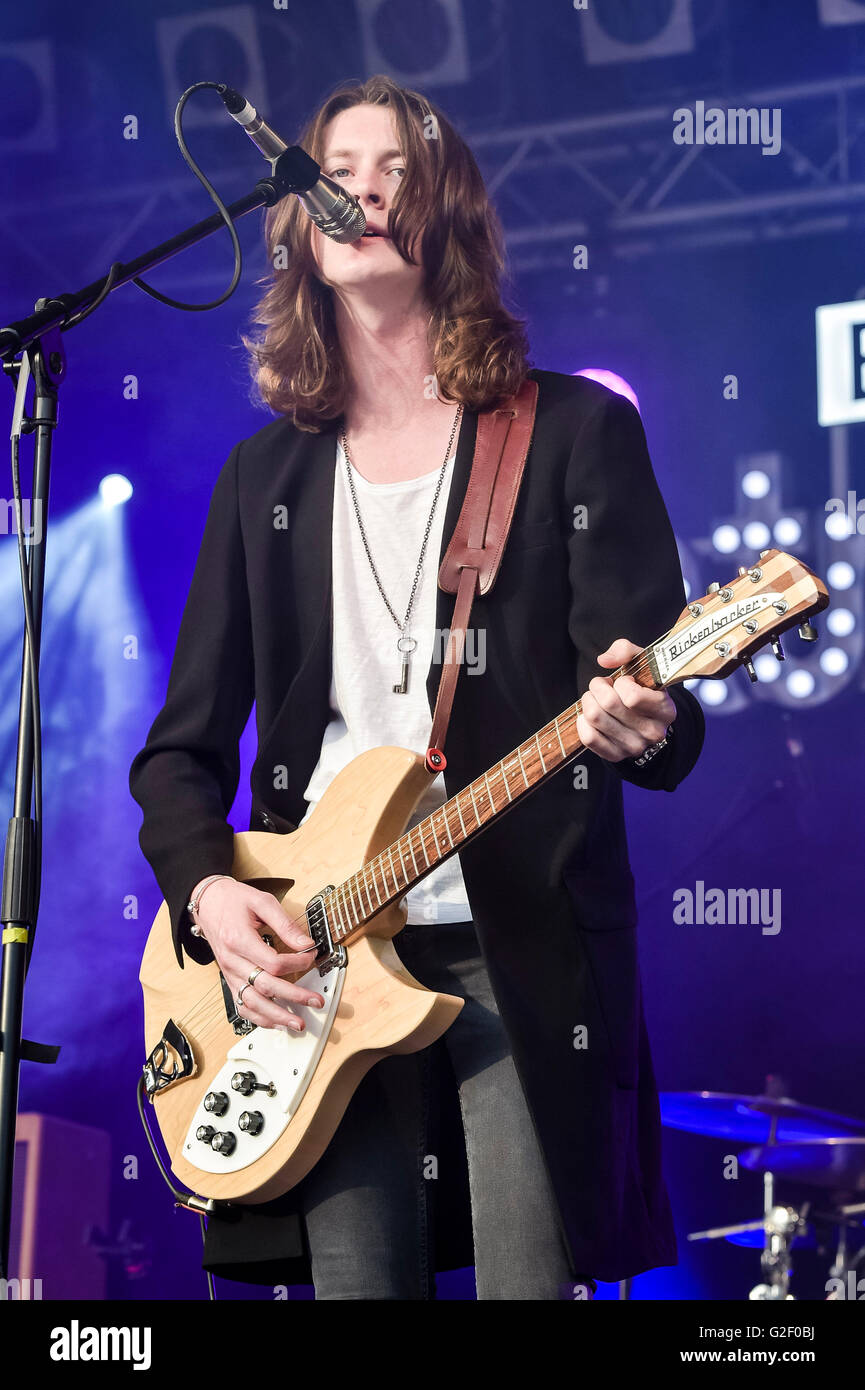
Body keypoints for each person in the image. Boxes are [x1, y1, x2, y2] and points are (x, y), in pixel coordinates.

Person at [129, 74, 705, 1301]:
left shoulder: (569, 434)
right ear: (298, 213)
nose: (365, 190)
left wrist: (641, 718)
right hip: (319, 956)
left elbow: (655, 703)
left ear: (446, 208)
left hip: (517, 942)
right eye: (337, 167)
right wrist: (213, 906)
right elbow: (177, 755)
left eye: (397, 166)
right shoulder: (259, 480)